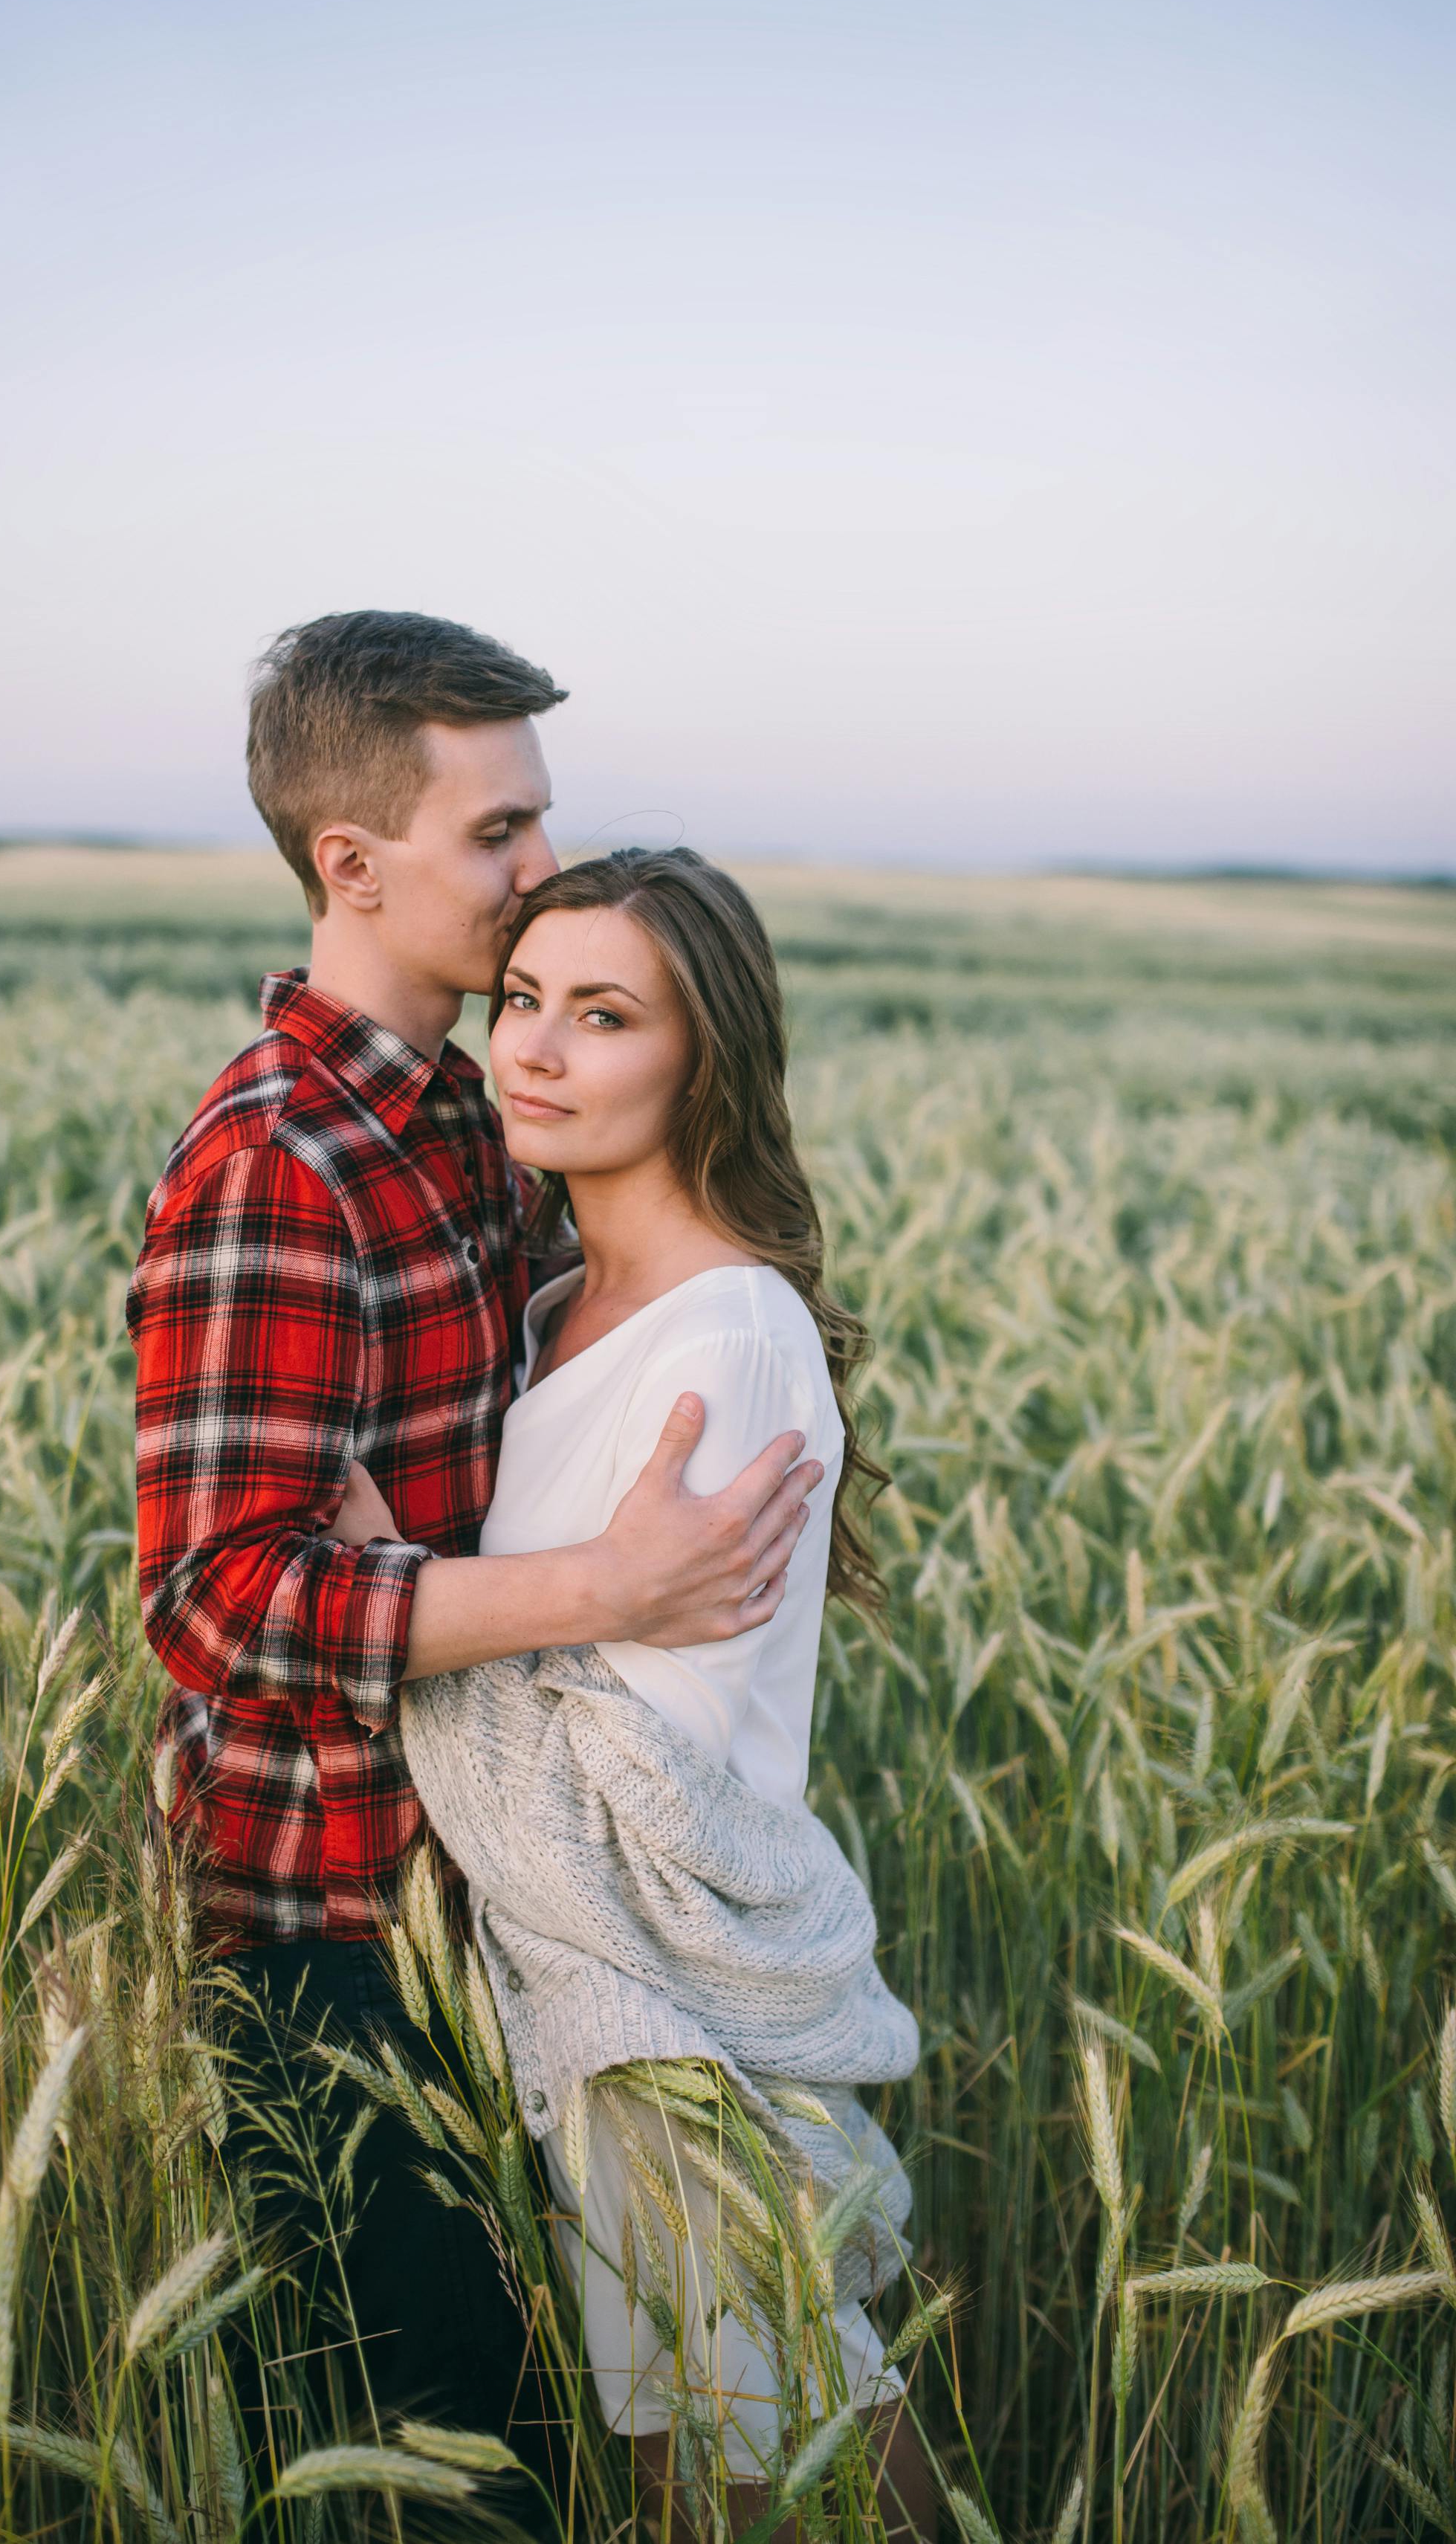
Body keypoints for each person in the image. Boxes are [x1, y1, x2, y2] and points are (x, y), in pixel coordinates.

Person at [125, 613, 823, 2511]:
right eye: (499, 832)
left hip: (497, 1903)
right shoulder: (284, 1160)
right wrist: (600, 1585)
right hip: (328, 1933)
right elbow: (212, 1593)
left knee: (633, 2416)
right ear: (351, 864)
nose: (538, 880)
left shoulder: (461, 1121)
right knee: (449, 2464)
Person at [352, 848, 936, 2539]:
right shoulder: (550, 1306)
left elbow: (637, 1811)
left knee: (763, 2468)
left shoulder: (724, 1342)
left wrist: (396, 1620)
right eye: (520, 998)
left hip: (666, 2010)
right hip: (567, 2013)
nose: (531, 1047)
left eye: (600, 1015)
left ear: (709, 1061)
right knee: (728, 2456)